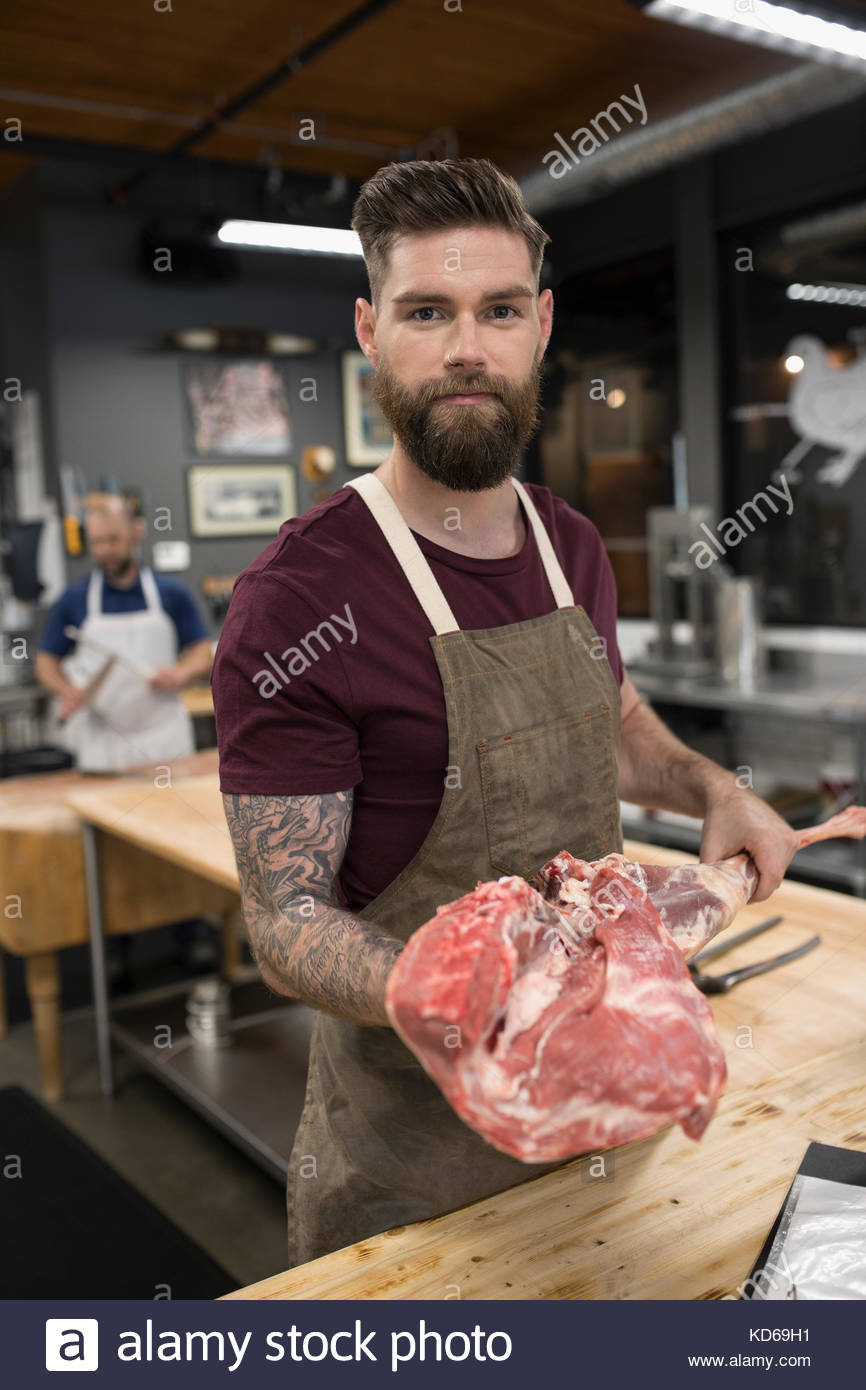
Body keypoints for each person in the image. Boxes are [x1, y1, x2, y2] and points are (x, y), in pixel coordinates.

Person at [212, 158, 799, 1268]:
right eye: (425, 311)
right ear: (369, 331)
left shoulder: (568, 541)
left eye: (494, 310)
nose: (464, 347)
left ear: (540, 326)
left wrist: (712, 787)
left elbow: (610, 715)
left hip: (609, 1134)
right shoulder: (298, 597)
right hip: (419, 1175)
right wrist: (447, 987)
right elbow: (283, 916)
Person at [36, 493, 212, 774]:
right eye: (97, 542)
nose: (105, 550)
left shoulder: (172, 593)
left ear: (135, 532)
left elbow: (203, 653)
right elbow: (46, 662)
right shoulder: (74, 599)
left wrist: (180, 673)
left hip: (165, 740)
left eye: (113, 540)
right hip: (101, 744)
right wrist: (64, 689)